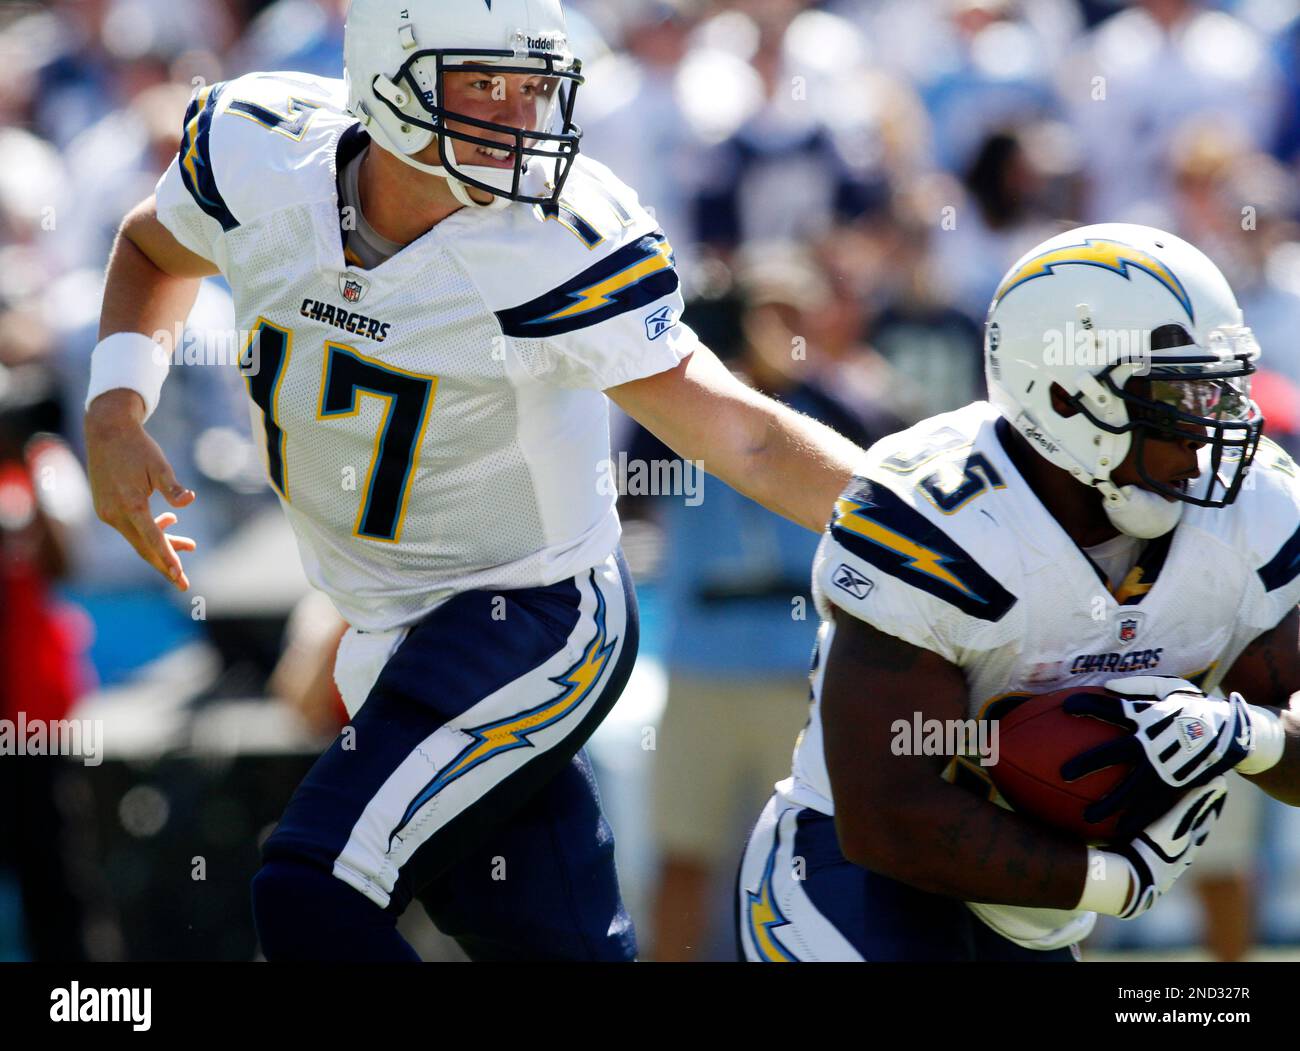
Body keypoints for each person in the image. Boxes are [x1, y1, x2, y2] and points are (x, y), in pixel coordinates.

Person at [83, 0, 864, 961]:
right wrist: (117, 405)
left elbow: (742, 439)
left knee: (312, 886)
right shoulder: (262, 152)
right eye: (485, 83)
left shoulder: (552, 237)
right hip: (386, 628)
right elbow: (155, 245)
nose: (518, 115)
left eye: (533, 88)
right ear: (386, 72)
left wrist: (927, 531)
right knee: (552, 944)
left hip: (532, 614)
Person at [737, 223, 1300, 961]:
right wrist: (1112, 883)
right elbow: (887, 813)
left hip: (1039, 913)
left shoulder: (1249, 509)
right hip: (859, 885)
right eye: (1177, 394)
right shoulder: (938, 515)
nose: (1208, 430)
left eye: (1216, 387)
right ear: (1068, 396)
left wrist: (1249, 736)